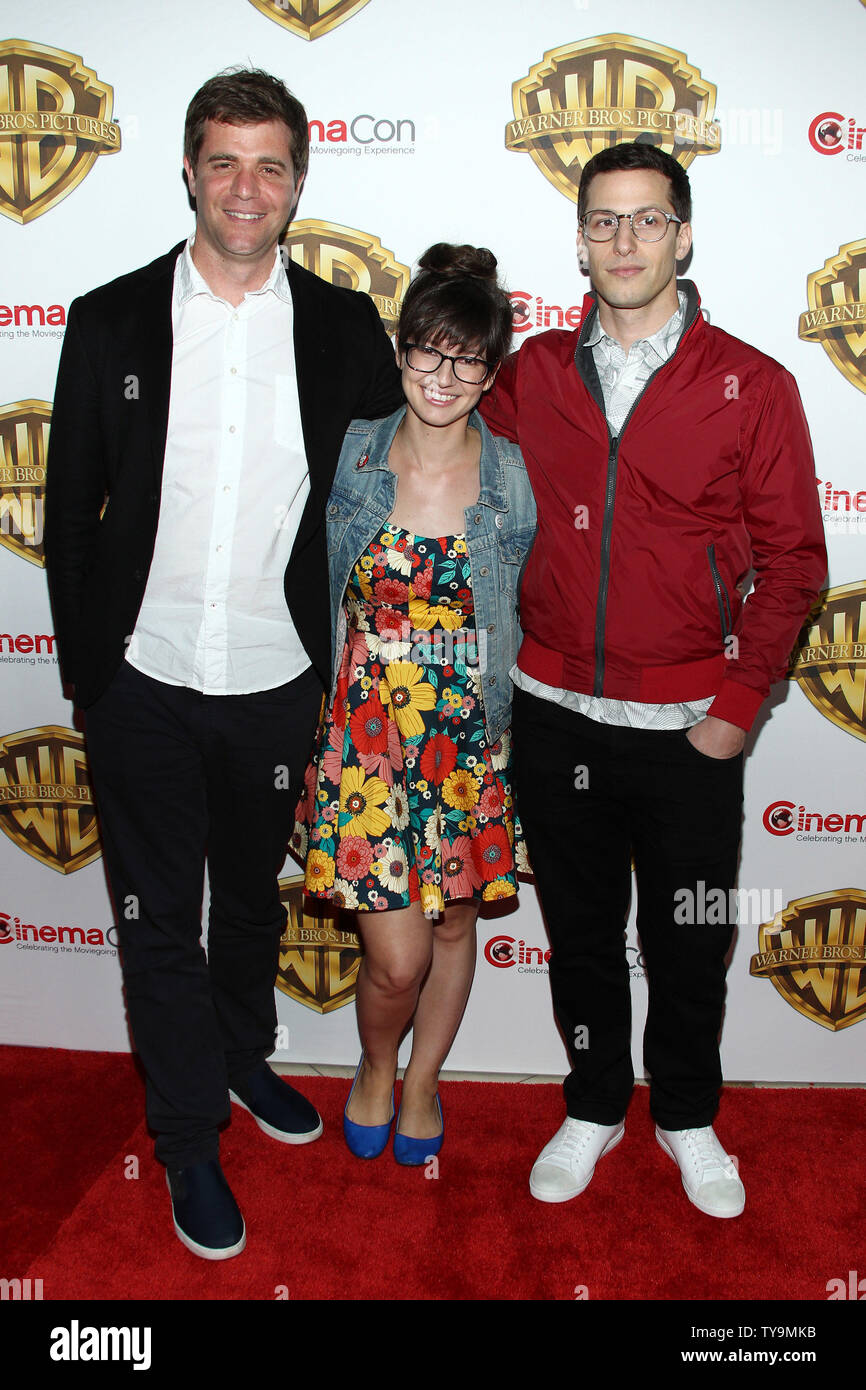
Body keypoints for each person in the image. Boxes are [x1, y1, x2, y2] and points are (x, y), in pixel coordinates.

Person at [43, 68, 403, 1260]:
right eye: (223, 160)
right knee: (157, 920)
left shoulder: (346, 330)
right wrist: (89, 681)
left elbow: (379, 506)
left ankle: (242, 1054)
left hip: (279, 678)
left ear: (299, 181)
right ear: (189, 171)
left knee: (251, 899)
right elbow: (72, 516)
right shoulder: (109, 320)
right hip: (141, 678)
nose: (245, 187)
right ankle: (187, 1134)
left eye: (270, 164)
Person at [480, 142, 826, 1217]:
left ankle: (683, 1112)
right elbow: (459, 492)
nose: (621, 241)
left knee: (687, 937)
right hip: (552, 717)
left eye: (644, 220)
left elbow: (795, 560)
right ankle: (590, 1103)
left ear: (681, 234)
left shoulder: (752, 384)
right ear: (578, 239)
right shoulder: (529, 374)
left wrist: (734, 709)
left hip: (688, 727)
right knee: (578, 937)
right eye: (601, 221)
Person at [293, 244, 536, 1163]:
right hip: (364, 732)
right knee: (396, 954)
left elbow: (531, 607)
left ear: (491, 369)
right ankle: (374, 1066)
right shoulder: (351, 450)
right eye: (429, 352)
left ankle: (425, 1083)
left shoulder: (513, 475)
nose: (445, 376)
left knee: (455, 925)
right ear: (399, 353)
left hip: (469, 731)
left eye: (468, 357)